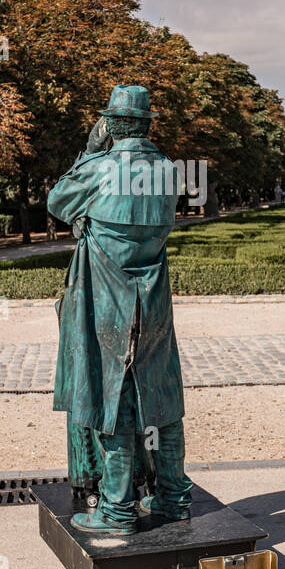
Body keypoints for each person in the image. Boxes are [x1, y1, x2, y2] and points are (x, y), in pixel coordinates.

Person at [47, 84, 191, 535]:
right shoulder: (168, 171)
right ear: (147, 123)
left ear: (111, 124)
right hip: (154, 299)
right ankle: (173, 497)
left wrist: (90, 150)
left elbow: (56, 202)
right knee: (163, 394)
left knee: (113, 398)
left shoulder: (101, 167)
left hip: (107, 298)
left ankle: (117, 510)